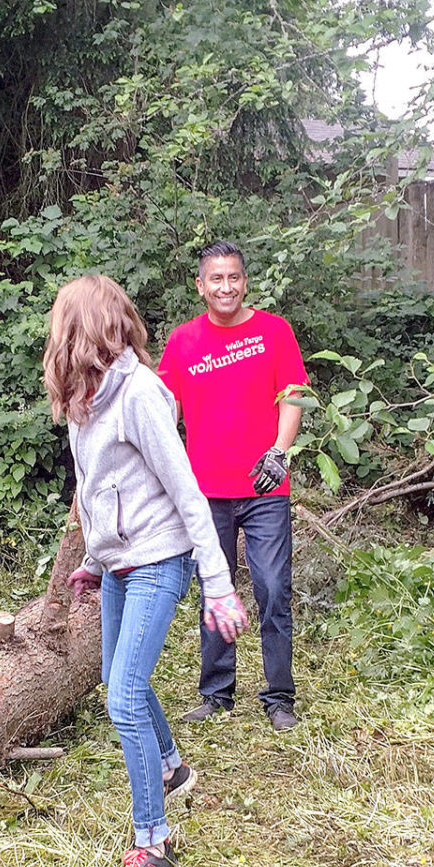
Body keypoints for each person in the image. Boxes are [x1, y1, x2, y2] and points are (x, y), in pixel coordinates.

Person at [46, 274, 249, 867]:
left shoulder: (139, 394)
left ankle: (152, 842)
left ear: (82, 330)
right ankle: (171, 767)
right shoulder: (86, 399)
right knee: (115, 677)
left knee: (124, 699)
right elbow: (96, 490)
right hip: (121, 565)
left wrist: (218, 585)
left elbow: (186, 491)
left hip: (161, 561)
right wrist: (96, 560)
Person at [157, 240, 306, 732]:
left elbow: (293, 397)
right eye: (216, 279)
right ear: (200, 286)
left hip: (265, 486)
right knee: (214, 591)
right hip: (205, 491)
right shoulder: (182, 342)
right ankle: (217, 692)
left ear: (245, 281)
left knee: (271, 587)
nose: (226, 287)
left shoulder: (274, 332)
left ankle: (279, 696)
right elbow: (164, 412)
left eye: (234, 278)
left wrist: (279, 451)